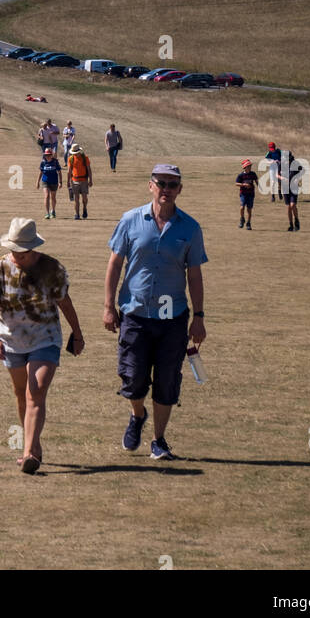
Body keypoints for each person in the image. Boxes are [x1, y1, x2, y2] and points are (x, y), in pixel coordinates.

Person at [104, 163, 207, 461]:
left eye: (172, 184)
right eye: (161, 183)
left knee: (167, 380)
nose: (166, 189)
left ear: (180, 189)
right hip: (135, 315)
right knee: (134, 379)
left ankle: (159, 440)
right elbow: (114, 264)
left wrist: (199, 317)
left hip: (173, 319)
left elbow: (195, 275)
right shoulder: (130, 220)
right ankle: (137, 415)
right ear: (151, 185)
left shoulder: (190, 228)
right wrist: (109, 307)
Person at [0, 217, 84, 474]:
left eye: (22, 251)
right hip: (11, 341)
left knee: (34, 391)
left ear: (33, 248)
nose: (16, 255)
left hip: (45, 339)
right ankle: (34, 446)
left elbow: (65, 303)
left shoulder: (52, 268)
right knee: (21, 395)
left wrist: (78, 333)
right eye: (13, 249)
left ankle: (28, 453)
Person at [66, 144, 92, 220]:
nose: (75, 154)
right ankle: (77, 214)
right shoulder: (71, 159)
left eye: (76, 153)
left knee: (84, 198)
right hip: (74, 181)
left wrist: (90, 180)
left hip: (84, 181)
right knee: (76, 199)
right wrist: (68, 181)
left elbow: (89, 170)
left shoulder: (85, 158)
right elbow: (69, 171)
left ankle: (84, 208)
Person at [36, 147, 62, 219]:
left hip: (54, 181)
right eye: (46, 155)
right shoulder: (43, 162)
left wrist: (60, 182)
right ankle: (47, 213)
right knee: (47, 196)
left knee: (53, 197)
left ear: (51, 155)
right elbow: (41, 172)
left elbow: (59, 172)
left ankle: (53, 211)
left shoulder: (55, 162)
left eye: (49, 155)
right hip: (45, 181)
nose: (48, 156)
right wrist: (37, 182)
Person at [281, 149, 302, 231]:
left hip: (293, 187)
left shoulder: (295, 163)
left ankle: (296, 220)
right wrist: (281, 178)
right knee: (288, 207)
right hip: (285, 187)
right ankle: (291, 225)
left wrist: (297, 178)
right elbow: (277, 174)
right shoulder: (281, 164)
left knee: (292, 205)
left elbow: (302, 170)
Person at [235, 159, 258, 230]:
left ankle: (248, 223)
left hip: (251, 194)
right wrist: (243, 184)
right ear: (245, 167)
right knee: (242, 207)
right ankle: (242, 219)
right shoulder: (241, 175)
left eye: (250, 166)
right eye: (248, 166)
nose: (250, 167)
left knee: (249, 209)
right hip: (243, 194)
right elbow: (236, 183)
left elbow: (256, 181)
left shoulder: (253, 174)